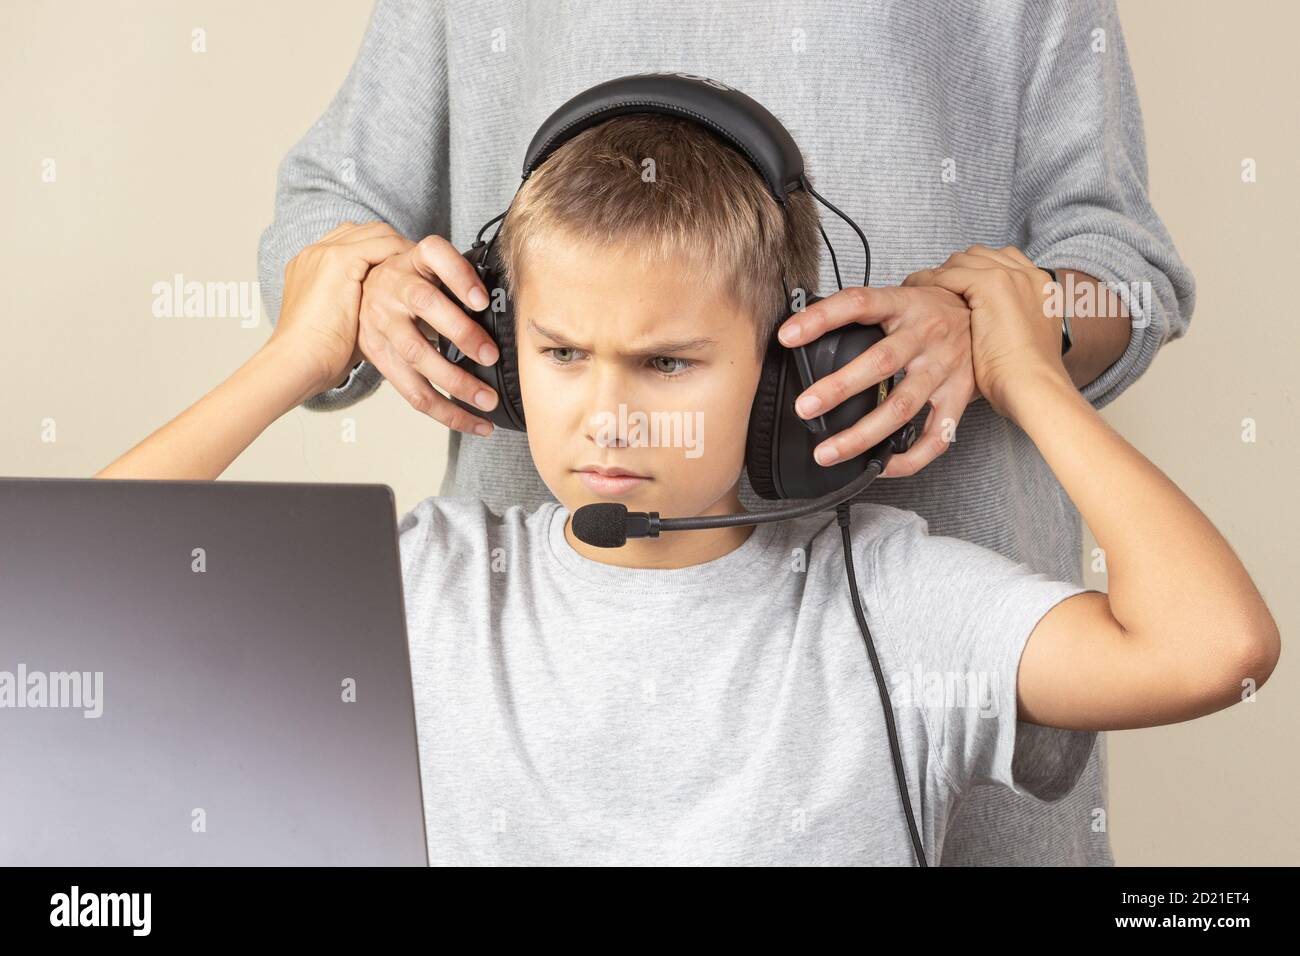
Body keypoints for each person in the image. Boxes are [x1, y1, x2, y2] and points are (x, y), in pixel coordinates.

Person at [100, 114, 1270, 865]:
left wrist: (1026, 373)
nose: (608, 413)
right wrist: (295, 357)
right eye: (562, 353)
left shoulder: (890, 601)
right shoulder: (436, 584)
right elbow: (71, 604)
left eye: (666, 362)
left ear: (784, 371)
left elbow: (1219, 648)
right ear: (503, 361)